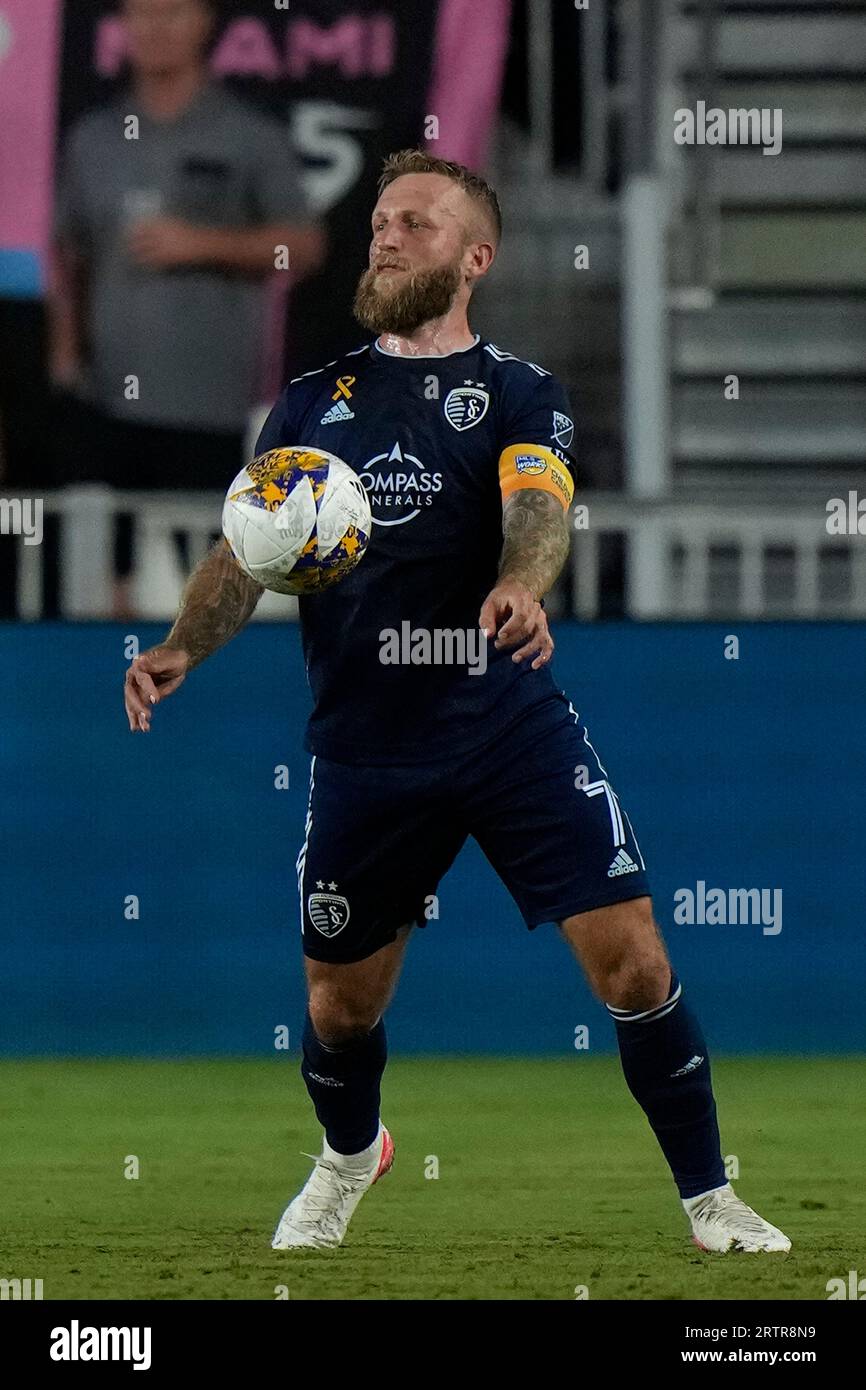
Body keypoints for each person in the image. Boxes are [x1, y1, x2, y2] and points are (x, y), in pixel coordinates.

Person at [123, 149, 790, 1257]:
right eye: (382, 219)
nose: (385, 236)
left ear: (473, 258)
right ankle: (349, 1155)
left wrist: (519, 588)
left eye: (416, 224)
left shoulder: (520, 394)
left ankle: (709, 1198)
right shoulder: (307, 402)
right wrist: (185, 643)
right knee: (340, 1010)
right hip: (364, 750)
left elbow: (539, 508)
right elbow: (244, 553)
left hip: (506, 727)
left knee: (634, 961)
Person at [50, 0, 324, 612]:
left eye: (172, 12)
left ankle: (206, 702)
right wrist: (65, 358)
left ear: (205, 23)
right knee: (99, 588)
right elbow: (67, 255)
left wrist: (202, 242)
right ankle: (107, 698)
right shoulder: (94, 137)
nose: (156, 28)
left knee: (206, 587)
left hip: (205, 404)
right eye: (141, 14)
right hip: (103, 402)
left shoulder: (248, 135)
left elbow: (303, 246)